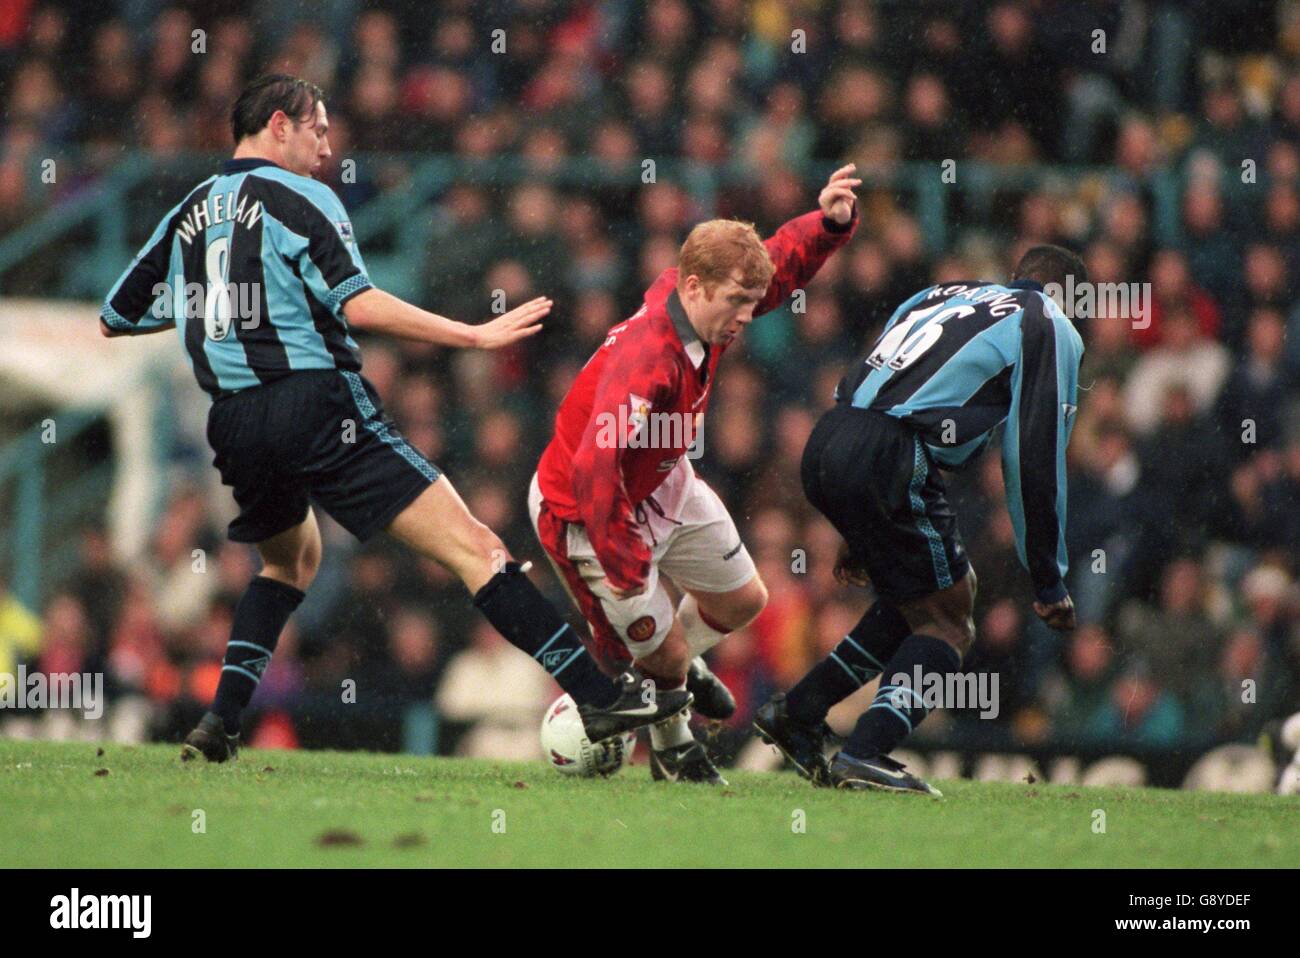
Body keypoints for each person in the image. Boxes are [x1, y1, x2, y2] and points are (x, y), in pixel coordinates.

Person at [99, 75, 690, 762]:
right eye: (318, 129)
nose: (326, 150)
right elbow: (359, 304)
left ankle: (218, 724)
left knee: (289, 563)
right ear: (280, 124)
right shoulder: (303, 197)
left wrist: (222, 305)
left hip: (233, 422)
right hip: (314, 405)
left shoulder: (191, 208)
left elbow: (119, 312)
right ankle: (598, 694)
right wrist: (471, 335)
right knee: (477, 550)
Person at [529, 165, 860, 783]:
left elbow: (777, 266)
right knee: (664, 655)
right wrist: (631, 578)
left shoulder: (704, 301)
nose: (745, 316)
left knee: (744, 601)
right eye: (735, 302)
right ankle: (674, 749)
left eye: (747, 302)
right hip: (586, 509)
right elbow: (596, 468)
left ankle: (675, 674)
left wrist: (828, 224)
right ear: (693, 287)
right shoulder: (647, 358)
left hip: (662, 475)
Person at [754, 244, 1086, 795]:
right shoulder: (1051, 323)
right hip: (891, 454)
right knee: (951, 620)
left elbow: (879, 374)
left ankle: (799, 711)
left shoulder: (942, 292)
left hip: (831, 435)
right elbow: (1033, 455)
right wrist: (1047, 575)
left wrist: (859, 519)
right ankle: (865, 751)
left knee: (915, 600)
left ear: (1013, 277)